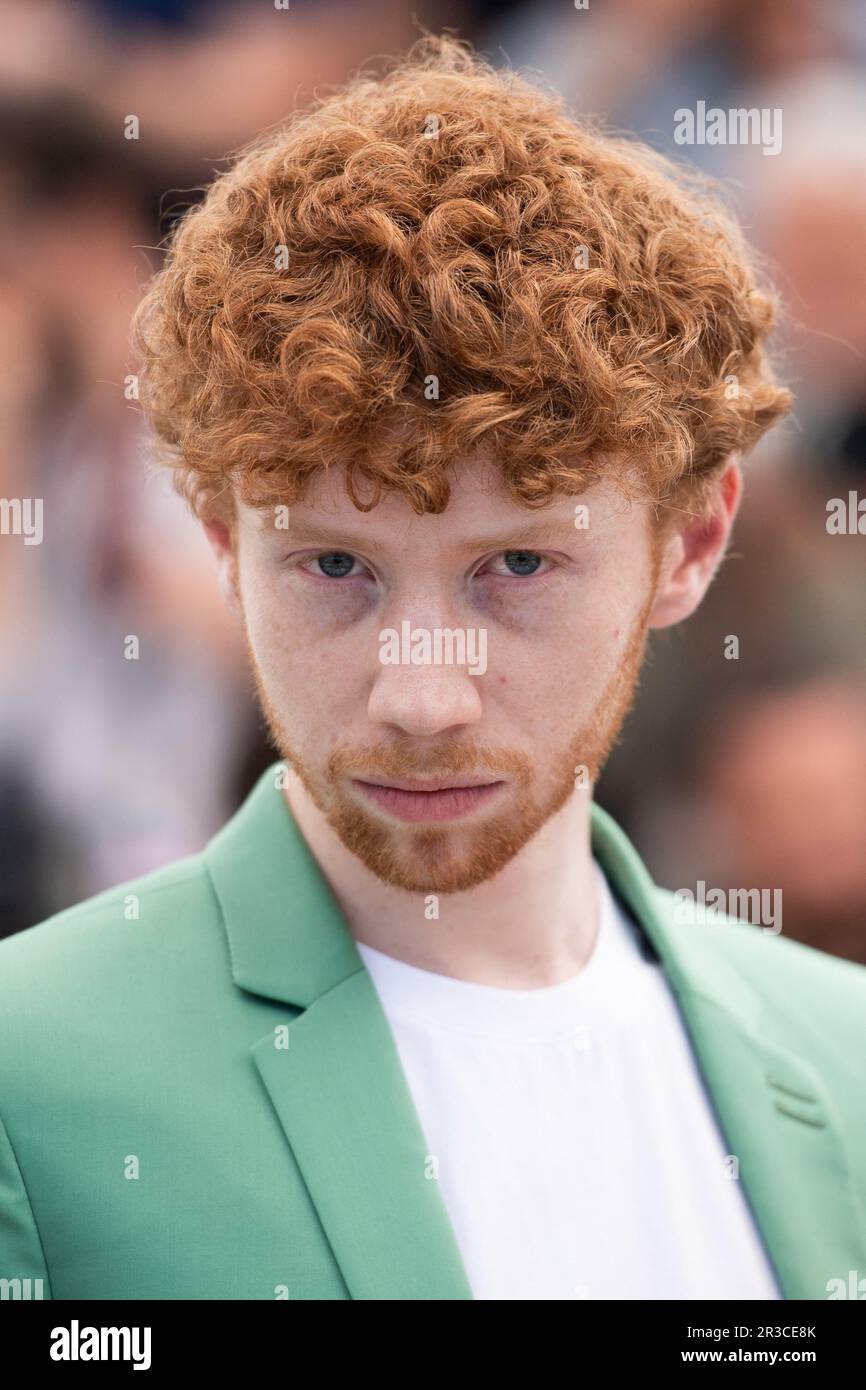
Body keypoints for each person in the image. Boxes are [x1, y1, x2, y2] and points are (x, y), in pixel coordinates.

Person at [1, 35, 863, 1303]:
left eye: (514, 567)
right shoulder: (28, 1070)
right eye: (335, 568)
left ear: (689, 544)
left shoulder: (840, 1055)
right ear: (223, 548)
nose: (418, 694)